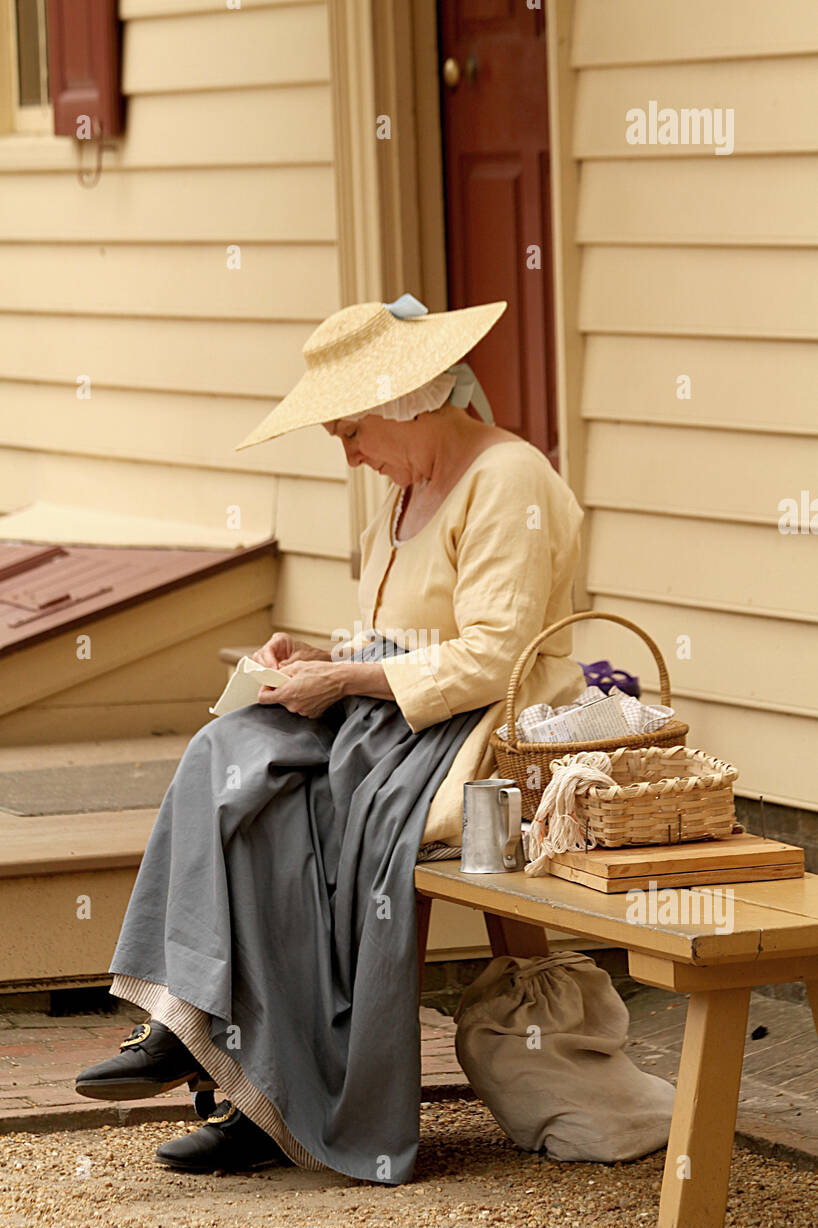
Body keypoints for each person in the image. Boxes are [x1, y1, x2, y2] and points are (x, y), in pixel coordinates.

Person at [75, 293, 585, 1182]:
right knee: (226, 751)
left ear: (409, 402)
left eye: (350, 431)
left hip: (472, 730)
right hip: (390, 709)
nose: (348, 453)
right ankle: (191, 1026)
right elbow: (395, 631)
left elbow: (494, 658)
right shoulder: (403, 488)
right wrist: (322, 657)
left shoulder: (508, 480)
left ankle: (255, 1094)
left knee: (281, 814)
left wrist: (342, 679)